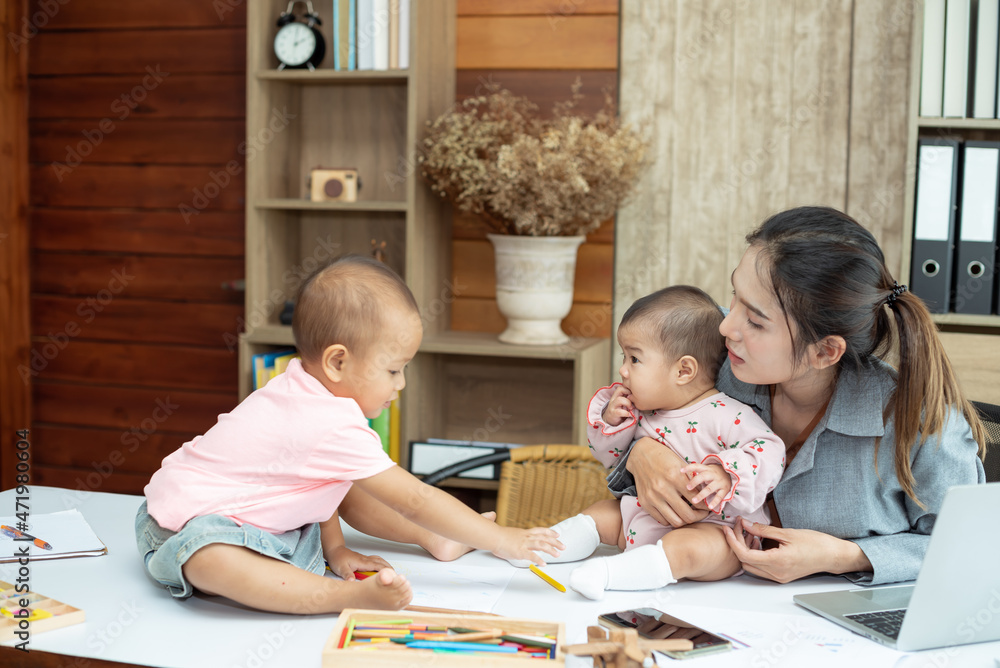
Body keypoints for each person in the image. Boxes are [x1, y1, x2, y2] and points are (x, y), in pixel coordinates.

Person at [135, 255, 562, 614]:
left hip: (259, 521)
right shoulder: (328, 421)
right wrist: (503, 539)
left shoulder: (300, 383)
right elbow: (416, 499)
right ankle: (340, 597)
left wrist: (336, 549)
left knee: (354, 484)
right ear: (337, 362)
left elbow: (317, 485)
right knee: (211, 560)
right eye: (393, 369)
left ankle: (437, 537)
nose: (401, 384)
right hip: (184, 528)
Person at [609, 206, 987, 586]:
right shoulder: (707, 351)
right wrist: (642, 454)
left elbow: (968, 550)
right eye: (735, 295)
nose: (726, 326)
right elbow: (628, 414)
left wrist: (841, 556)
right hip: (694, 598)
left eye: (755, 321)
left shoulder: (924, 427)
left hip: (832, 614)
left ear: (824, 352)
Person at [517, 285, 785, 600]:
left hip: (715, 529)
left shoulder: (729, 414)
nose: (623, 370)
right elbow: (608, 456)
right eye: (624, 357)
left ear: (683, 370)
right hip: (644, 518)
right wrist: (612, 422)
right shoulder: (641, 412)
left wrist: (726, 474)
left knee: (690, 548)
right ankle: (539, 549)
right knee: (603, 513)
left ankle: (607, 574)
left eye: (634, 358)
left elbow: (770, 451)